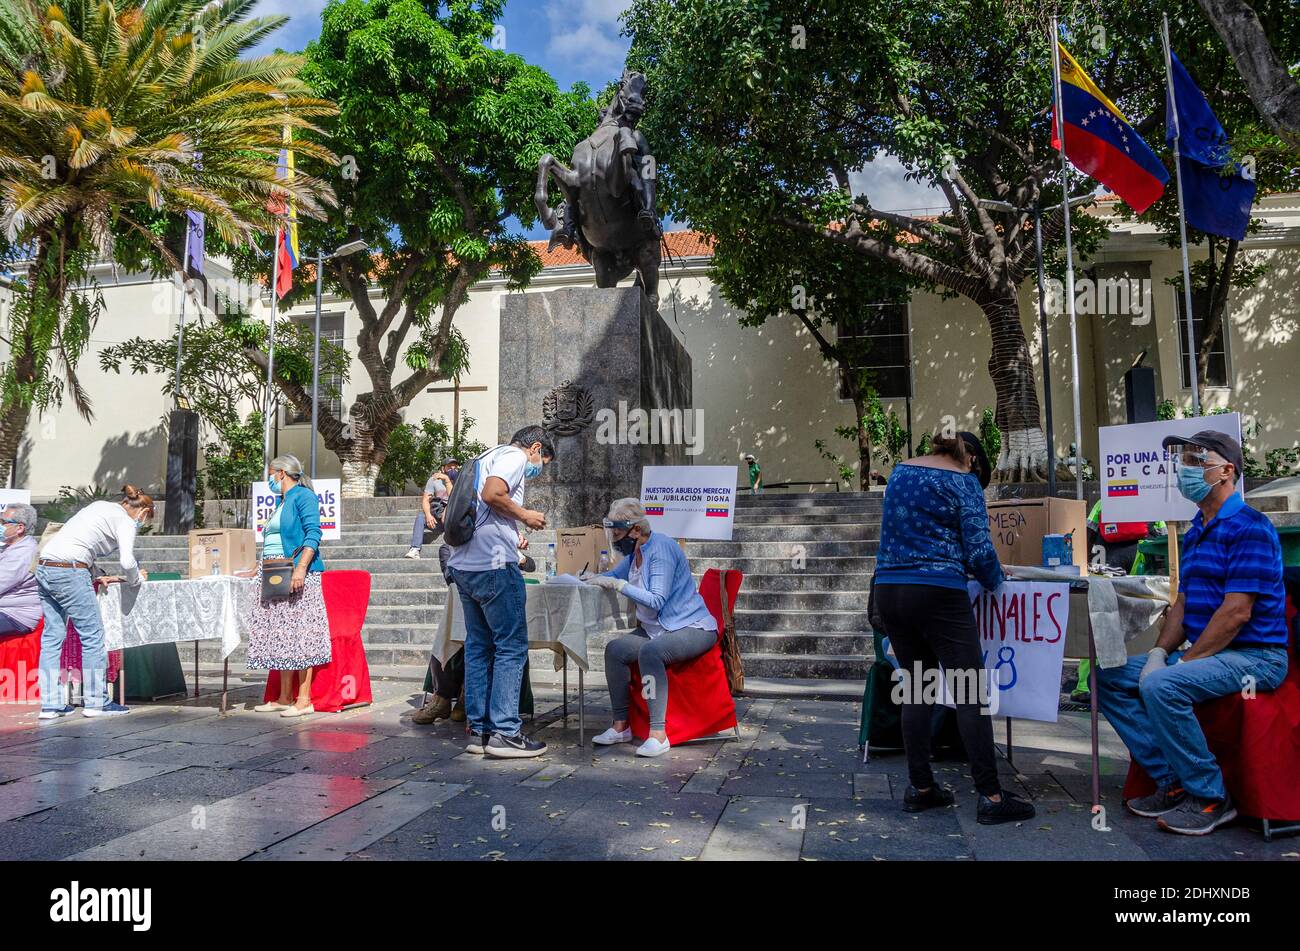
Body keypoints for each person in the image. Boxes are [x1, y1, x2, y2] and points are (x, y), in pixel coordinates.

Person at [1097, 431, 1289, 835]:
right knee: (1108, 676)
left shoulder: (1250, 527)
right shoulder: (1197, 528)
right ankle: (1171, 781)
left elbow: (1236, 612)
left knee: (1163, 687)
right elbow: (1182, 605)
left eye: (1196, 459)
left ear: (1226, 471)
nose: (1185, 468)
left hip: (1256, 657)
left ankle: (1210, 798)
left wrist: (1180, 662)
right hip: (1212, 653)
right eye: (1183, 460)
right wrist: (1157, 654)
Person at [872, 431, 1036, 825]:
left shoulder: (899, 473)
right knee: (969, 692)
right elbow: (980, 551)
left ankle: (921, 787)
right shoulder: (962, 482)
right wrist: (998, 579)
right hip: (937, 593)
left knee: (918, 686)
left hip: (889, 589)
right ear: (973, 462)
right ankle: (992, 796)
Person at [446, 426, 553, 758]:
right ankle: (506, 732)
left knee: (479, 646)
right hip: (493, 566)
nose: (537, 469)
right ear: (535, 447)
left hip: (464, 564)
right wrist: (525, 515)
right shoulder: (513, 456)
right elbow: (493, 494)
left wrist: (512, 529)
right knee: (510, 646)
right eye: (542, 461)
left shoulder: (484, 456)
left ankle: (479, 732)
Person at [587, 498, 719, 757]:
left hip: (691, 626)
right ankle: (620, 725)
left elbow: (657, 599)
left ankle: (658, 735)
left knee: (650, 652)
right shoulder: (636, 552)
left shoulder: (660, 550)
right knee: (615, 650)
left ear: (636, 530)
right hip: (656, 628)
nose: (615, 538)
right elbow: (614, 575)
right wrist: (590, 578)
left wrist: (621, 587)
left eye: (618, 532)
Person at [35, 485, 153, 718]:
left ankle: (51, 704)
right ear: (143, 512)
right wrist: (136, 579)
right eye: (145, 519)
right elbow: (128, 561)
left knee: (51, 637)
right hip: (70, 571)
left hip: (45, 566)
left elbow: (81, 542)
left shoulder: (98, 506)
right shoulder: (126, 522)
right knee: (92, 636)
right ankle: (97, 702)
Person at [246, 454, 330, 717]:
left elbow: (313, 533)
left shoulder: (303, 496)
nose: (270, 478)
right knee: (282, 633)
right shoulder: (282, 501)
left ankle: (304, 700)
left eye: (272, 473)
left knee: (299, 633)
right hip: (274, 571)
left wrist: (301, 568)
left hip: (295, 572)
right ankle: (283, 696)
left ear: (282, 473)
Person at [405, 460, 459, 559]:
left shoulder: (460, 480)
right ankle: (415, 549)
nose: (453, 469)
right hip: (438, 518)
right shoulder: (434, 480)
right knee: (421, 516)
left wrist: (447, 480)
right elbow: (426, 500)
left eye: (455, 467)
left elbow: (453, 498)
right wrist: (428, 515)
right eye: (449, 467)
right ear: (443, 468)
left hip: (454, 519)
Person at [0, 503, 40, 636]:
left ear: (20, 528)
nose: (0, 525)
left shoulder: (23, 553)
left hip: (15, 615)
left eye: (3, 522)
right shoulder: (11, 548)